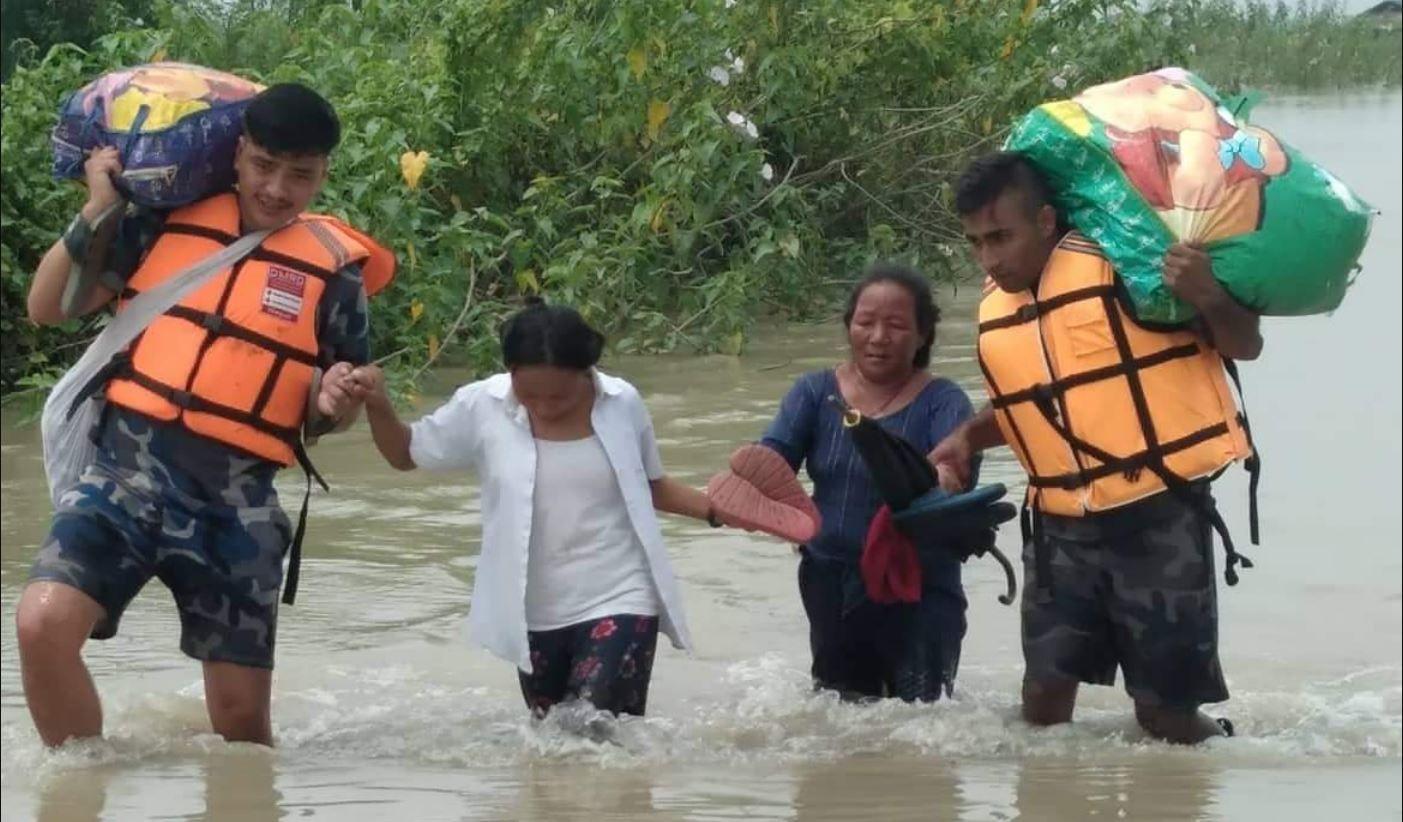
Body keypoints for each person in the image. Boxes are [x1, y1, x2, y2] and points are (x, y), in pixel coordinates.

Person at [16, 83, 392, 747]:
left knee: (242, 726)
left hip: (236, 507)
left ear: (323, 174)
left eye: (299, 175)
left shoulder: (335, 273)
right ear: (238, 152)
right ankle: (81, 792)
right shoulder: (164, 221)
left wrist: (332, 401)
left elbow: (327, 408)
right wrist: (98, 209)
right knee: (40, 625)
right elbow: (47, 307)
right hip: (122, 482)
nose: (277, 189)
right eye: (263, 166)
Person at [931, 151, 1262, 744]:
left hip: (1159, 516)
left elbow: (1245, 344)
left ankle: (1234, 773)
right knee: (1042, 703)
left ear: (1047, 221)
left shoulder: (1124, 270)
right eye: (977, 242)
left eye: (1002, 236)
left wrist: (1208, 295)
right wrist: (963, 437)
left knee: (1166, 716)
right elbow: (1034, 402)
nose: (991, 258)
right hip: (1059, 530)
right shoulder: (998, 305)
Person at [352, 300, 719, 719]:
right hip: (533, 614)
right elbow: (405, 453)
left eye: (559, 396)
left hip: (620, 594)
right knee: (555, 749)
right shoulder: (481, 406)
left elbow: (651, 486)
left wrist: (717, 509)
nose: (544, 407)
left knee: (596, 730)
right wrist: (378, 404)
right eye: (530, 395)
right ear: (510, 372)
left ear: (588, 372)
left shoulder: (622, 402)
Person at [758, 263, 976, 702]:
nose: (878, 337)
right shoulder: (815, 394)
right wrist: (753, 493)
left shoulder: (945, 401)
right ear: (848, 327)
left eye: (896, 325)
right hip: (832, 583)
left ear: (922, 336)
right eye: (865, 322)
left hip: (921, 587)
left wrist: (938, 479)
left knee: (925, 723)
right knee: (841, 717)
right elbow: (772, 463)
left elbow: (958, 480)